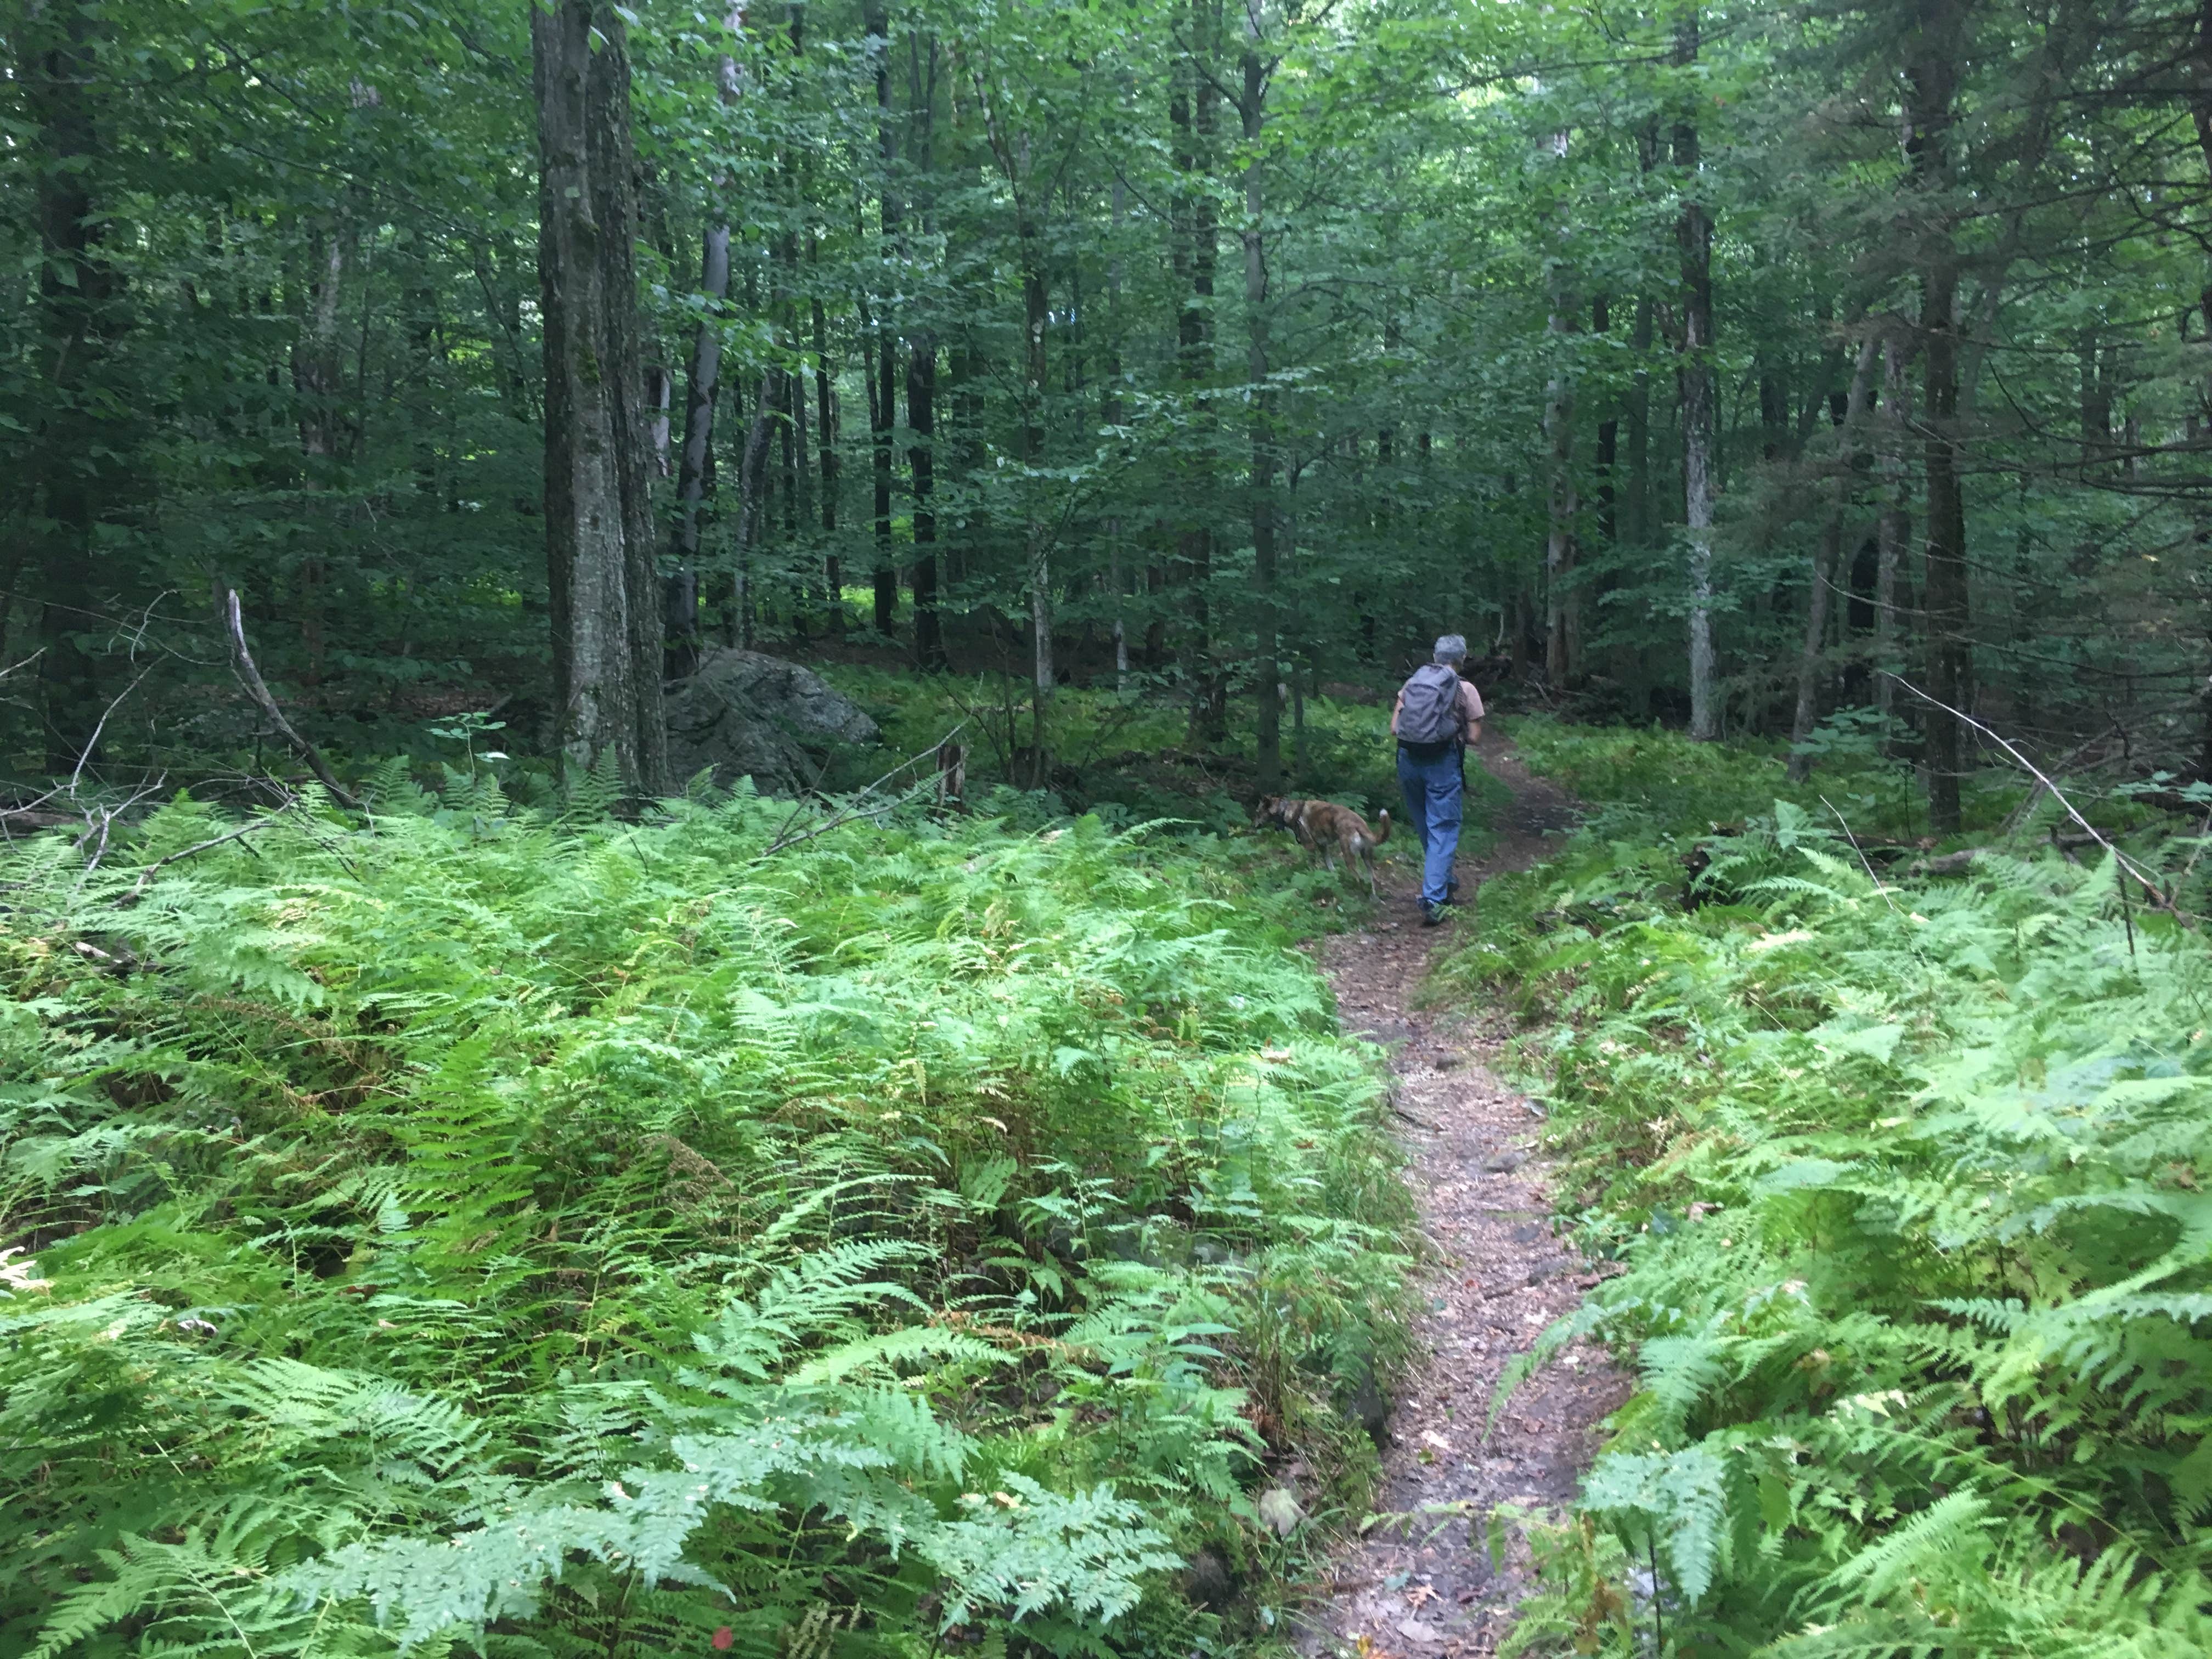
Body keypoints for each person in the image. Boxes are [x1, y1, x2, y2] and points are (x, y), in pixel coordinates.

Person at [1391, 634, 1484, 926]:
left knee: (1425, 825)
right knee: (1442, 828)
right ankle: (1433, 900)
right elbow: (1475, 737)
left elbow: (1395, 727)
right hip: (1442, 763)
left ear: (1435, 656)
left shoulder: (1413, 683)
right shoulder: (1465, 688)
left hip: (1408, 760)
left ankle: (1443, 880)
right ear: (1462, 659)